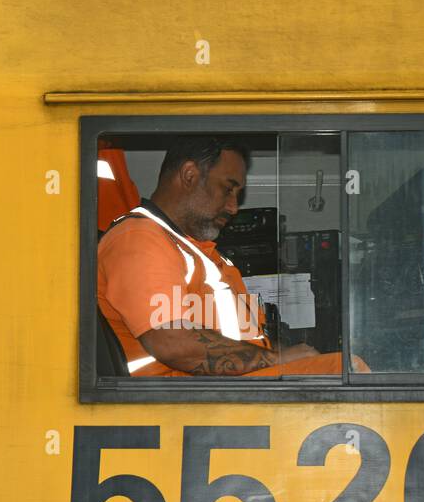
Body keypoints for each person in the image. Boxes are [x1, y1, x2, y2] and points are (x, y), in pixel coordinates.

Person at [97, 135, 362, 377]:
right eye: (228, 189)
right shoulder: (139, 238)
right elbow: (171, 342)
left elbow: (246, 341)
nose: (234, 207)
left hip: (219, 394)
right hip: (179, 401)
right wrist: (277, 359)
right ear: (189, 175)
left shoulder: (198, 251)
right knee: (344, 370)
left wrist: (282, 352)